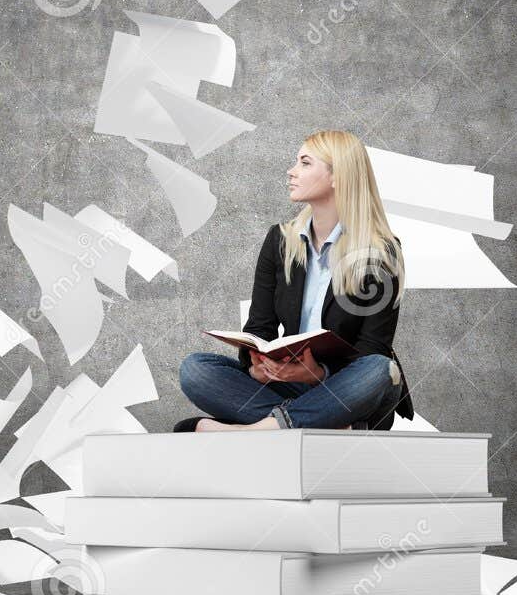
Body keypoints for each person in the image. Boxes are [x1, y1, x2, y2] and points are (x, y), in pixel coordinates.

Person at [175, 130, 414, 432]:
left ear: (337, 176)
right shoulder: (280, 241)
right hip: (286, 385)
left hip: (343, 388)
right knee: (196, 370)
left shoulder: (382, 251)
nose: (291, 171)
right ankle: (323, 427)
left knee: (380, 370)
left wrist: (318, 374)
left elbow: (373, 347)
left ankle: (257, 431)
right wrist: (257, 366)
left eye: (304, 163)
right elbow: (259, 327)